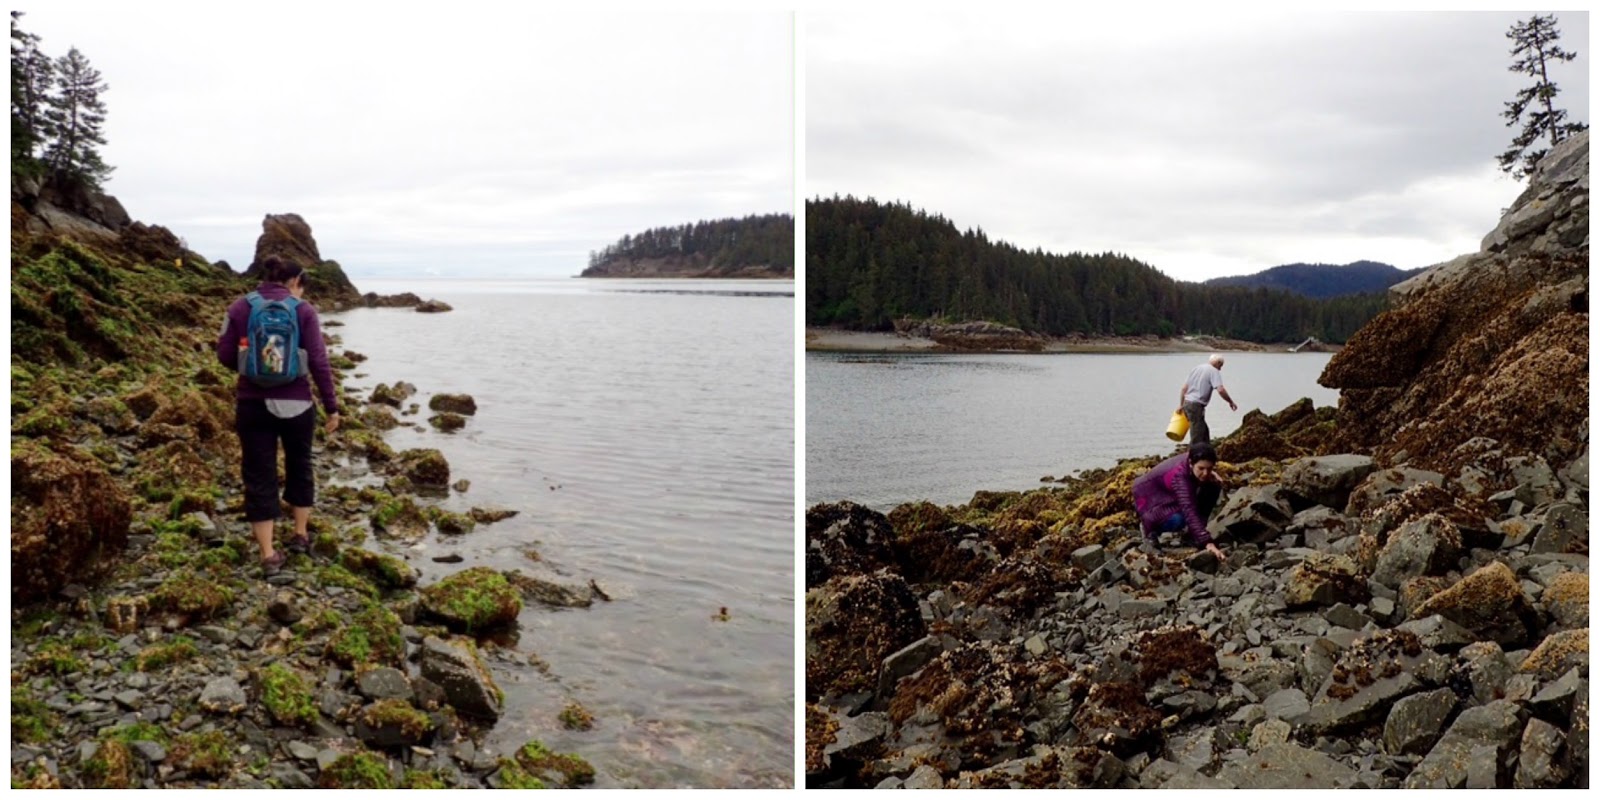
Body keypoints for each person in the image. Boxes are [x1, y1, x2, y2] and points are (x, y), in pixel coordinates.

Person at [216, 255, 341, 576]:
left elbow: (224, 355)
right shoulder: (304, 311)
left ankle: (268, 553)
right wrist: (332, 406)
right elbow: (318, 361)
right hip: (298, 404)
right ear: (295, 281)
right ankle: (300, 536)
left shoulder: (240, 307)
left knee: (259, 473)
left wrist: (253, 370)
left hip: (252, 404)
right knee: (301, 466)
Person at [1132, 442, 1227, 563]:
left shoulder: (1193, 458)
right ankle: (1150, 530)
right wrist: (1208, 544)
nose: (1205, 473)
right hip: (1147, 498)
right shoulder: (1180, 477)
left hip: (1167, 493)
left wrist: (1210, 473)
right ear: (1191, 463)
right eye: (1201, 469)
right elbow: (1189, 510)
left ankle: (1193, 534)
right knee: (1179, 519)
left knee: (1213, 486)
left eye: (1209, 468)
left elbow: (1201, 467)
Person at [1178, 354, 1237, 444]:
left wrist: (1181, 405)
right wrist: (1230, 402)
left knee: (1204, 431)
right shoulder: (1214, 371)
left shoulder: (1196, 369)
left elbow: (1184, 388)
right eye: (1220, 366)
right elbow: (1221, 390)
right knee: (1197, 434)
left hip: (1187, 403)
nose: (1220, 369)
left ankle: (1206, 453)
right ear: (1218, 362)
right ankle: (1194, 455)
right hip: (1196, 405)